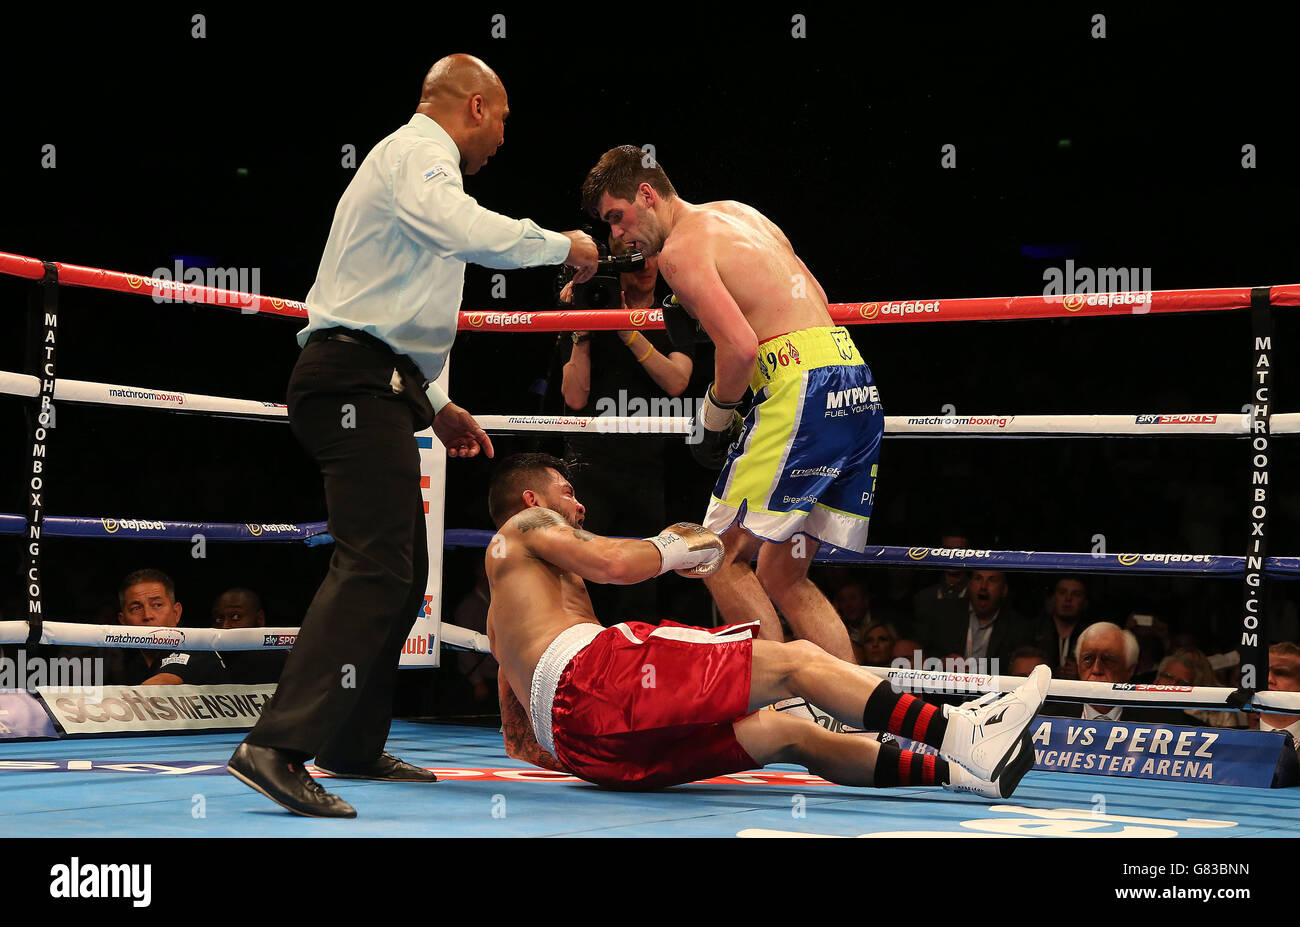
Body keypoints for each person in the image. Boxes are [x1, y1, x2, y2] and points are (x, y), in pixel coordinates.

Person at [228, 53, 600, 819]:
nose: (503, 135)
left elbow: (393, 305)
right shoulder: (418, 154)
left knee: (403, 569)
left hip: (380, 383)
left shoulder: (423, 170)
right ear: (473, 105)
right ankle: (276, 745)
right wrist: (560, 244)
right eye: (501, 117)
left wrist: (435, 401)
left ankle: (353, 741)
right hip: (351, 381)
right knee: (375, 564)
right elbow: (454, 233)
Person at [485, 453, 1050, 798]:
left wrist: (599, 732)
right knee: (796, 662)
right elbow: (616, 565)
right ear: (532, 499)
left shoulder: (503, 611)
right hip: (588, 681)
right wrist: (680, 545)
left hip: (592, 755)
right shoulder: (527, 523)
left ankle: (966, 774)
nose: (578, 506)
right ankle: (961, 733)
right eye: (568, 492)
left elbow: (519, 740)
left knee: (790, 733)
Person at [580, 145, 877, 665]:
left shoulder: (678, 252)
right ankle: (860, 716)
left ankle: (779, 695)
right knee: (783, 575)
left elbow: (739, 349)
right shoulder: (741, 212)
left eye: (617, 216)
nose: (619, 235)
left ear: (647, 194)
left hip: (800, 390)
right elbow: (813, 295)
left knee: (712, 552)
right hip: (852, 382)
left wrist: (715, 416)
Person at [559, 235, 694, 623]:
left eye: (653, 256)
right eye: (636, 259)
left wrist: (628, 330)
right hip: (589, 467)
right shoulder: (591, 306)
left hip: (645, 469)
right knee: (585, 580)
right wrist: (583, 331)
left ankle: (637, 678)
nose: (647, 265)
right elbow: (574, 397)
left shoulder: (676, 311)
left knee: (641, 583)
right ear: (618, 265)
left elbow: (677, 381)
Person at [1041, 621, 1199, 725]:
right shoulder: (1046, 718)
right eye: (1088, 659)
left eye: (1107, 660)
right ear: (1078, 665)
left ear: (1130, 670)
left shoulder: (1162, 723)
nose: (1096, 669)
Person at [117, 570, 229, 686]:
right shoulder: (135, 667)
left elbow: (157, 687)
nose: (147, 615)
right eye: (136, 608)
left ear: (176, 613)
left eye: (157, 605)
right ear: (123, 621)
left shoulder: (196, 646)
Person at [914, 569, 1032, 673]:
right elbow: (921, 655)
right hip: (949, 692)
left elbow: (1015, 671)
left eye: (992, 580)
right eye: (978, 578)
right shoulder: (943, 614)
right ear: (969, 585)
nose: (983, 586)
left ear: (1004, 590)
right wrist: (941, 664)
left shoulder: (1018, 627)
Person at [211, 588, 288, 685]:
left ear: (260, 619)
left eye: (236, 617)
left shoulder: (285, 663)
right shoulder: (201, 662)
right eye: (219, 619)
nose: (225, 626)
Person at [1030, 575, 1090, 679]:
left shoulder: (1091, 636)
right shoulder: (1032, 630)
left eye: (1076, 594)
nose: (1068, 599)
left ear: (1085, 602)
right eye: (1062, 592)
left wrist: (1082, 672)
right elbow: (998, 663)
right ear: (1053, 598)